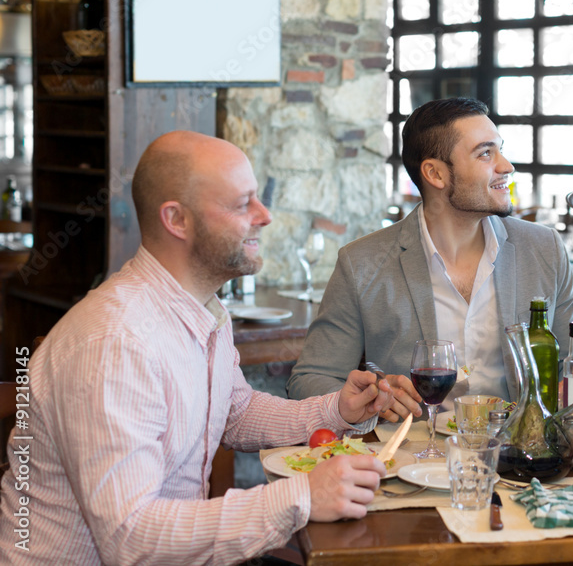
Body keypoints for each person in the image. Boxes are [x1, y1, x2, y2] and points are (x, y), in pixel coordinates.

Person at [0, 131, 395, 566]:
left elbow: (235, 411)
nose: (265, 216)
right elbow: (131, 539)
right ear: (177, 220)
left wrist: (337, 411)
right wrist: (301, 496)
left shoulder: (203, 306)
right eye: (242, 204)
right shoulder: (116, 343)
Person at [287, 97, 573, 419]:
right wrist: (373, 396)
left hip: (520, 447)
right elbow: (308, 381)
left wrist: (564, 406)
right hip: (414, 448)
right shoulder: (361, 264)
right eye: (485, 153)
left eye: (500, 150)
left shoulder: (543, 248)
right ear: (435, 174)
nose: (506, 166)